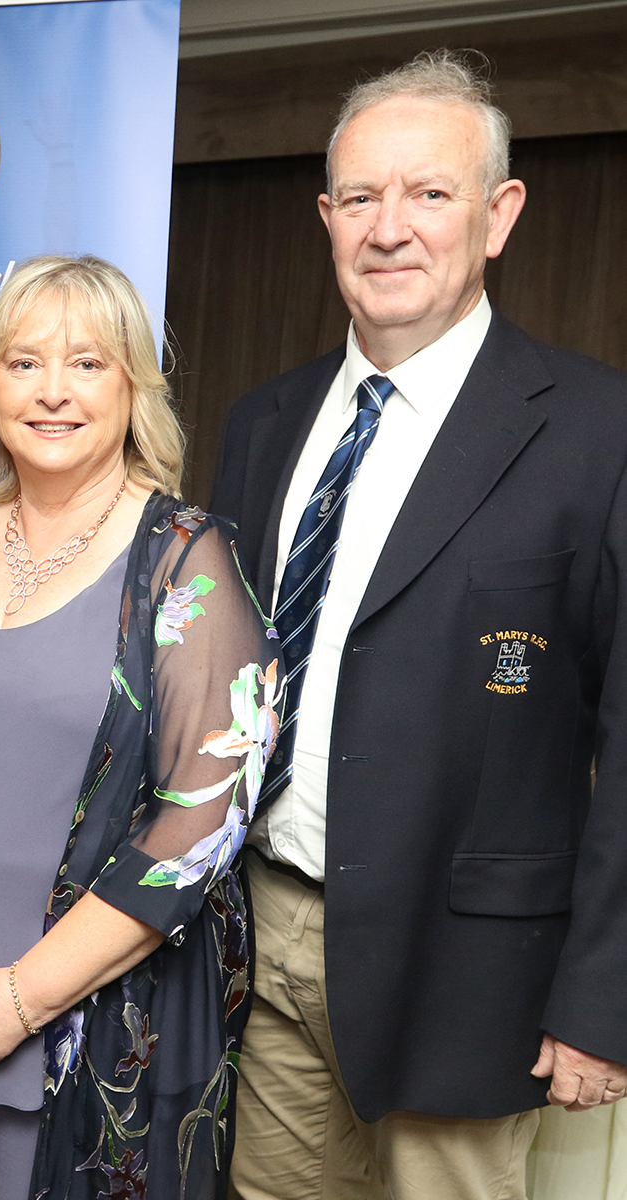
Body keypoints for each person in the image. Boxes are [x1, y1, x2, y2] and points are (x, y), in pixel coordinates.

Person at [210, 50, 627, 1200]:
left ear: (499, 216)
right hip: (267, 932)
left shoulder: (600, 432)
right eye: (360, 197)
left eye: (429, 194)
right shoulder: (263, 422)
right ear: (327, 217)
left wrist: (604, 999)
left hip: (473, 975)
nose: (389, 228)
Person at [0, 255, 282, 1200]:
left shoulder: (188, 562)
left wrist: (23, 996)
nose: (52, 392)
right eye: (24, 363)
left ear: (133, 388)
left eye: (87, 363)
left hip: (92, 1031)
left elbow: (200, 826)